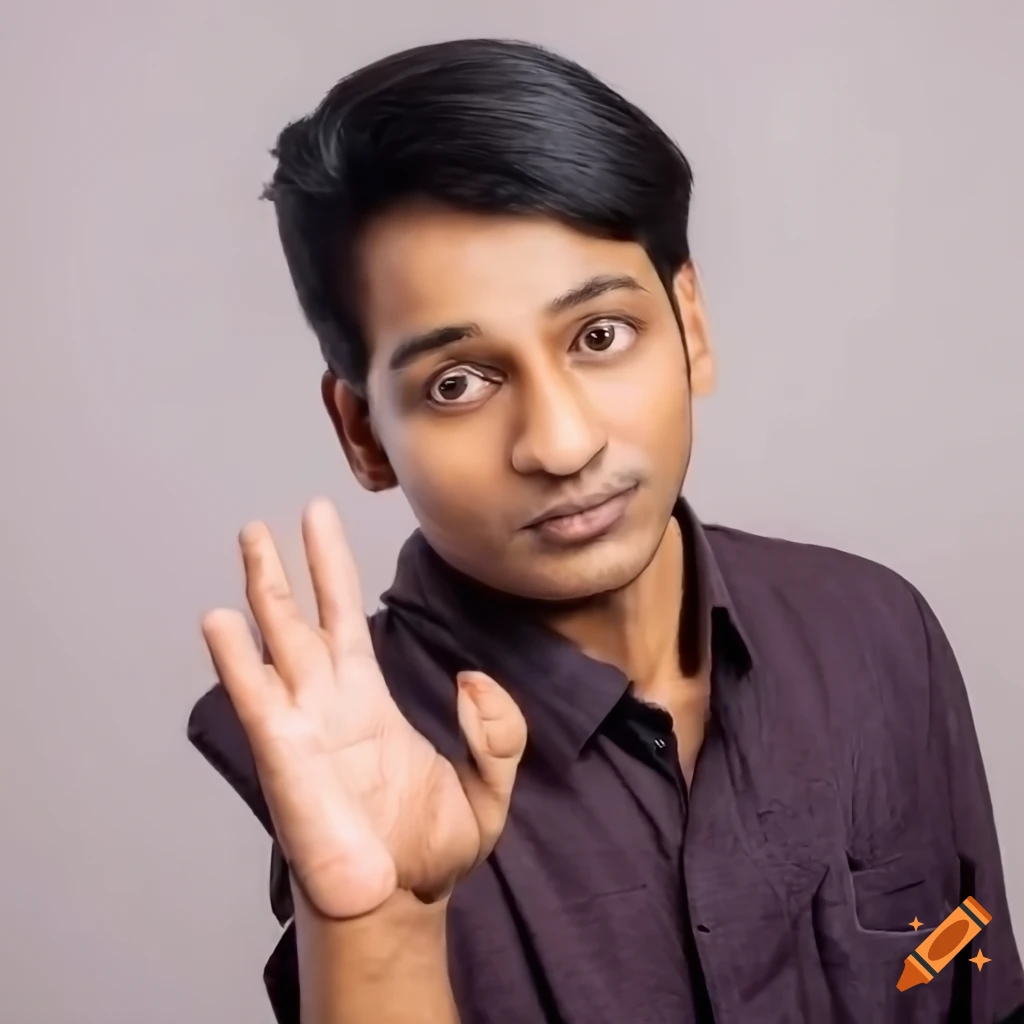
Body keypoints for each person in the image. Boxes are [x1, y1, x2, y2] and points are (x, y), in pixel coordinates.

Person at [187, 38, 1024, 1024]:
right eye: (458, 383)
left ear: (691, 326)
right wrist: (381, 927)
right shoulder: (347, 754)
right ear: (363, 434)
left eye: (599, 335)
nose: (561, 440)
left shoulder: (877, 630)